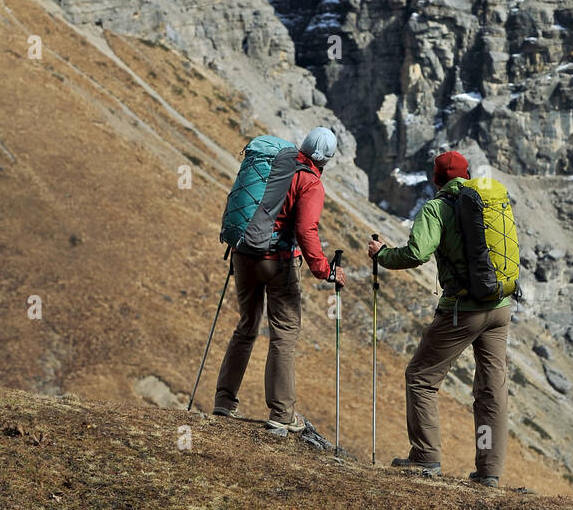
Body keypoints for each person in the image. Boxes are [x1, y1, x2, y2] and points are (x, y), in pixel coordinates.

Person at [368, 150, 512, 486]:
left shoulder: (437, 208)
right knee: (491, 390)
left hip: (464, 310)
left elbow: (417, 253)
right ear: (467, 174)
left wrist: (383, 254)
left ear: (437, 179)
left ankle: (425, 457)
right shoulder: (486, 201)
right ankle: (489, 470)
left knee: (421, 376)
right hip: (501, 306)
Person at [214, 127, 345, 435]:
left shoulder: (276, 162)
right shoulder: (310, 182)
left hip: (243, 254)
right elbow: (306, 230)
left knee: (246, 325)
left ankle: (224, 400)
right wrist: (324, 270)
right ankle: (281, 413)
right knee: (284, 332)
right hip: (278, 264)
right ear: (326, 159)